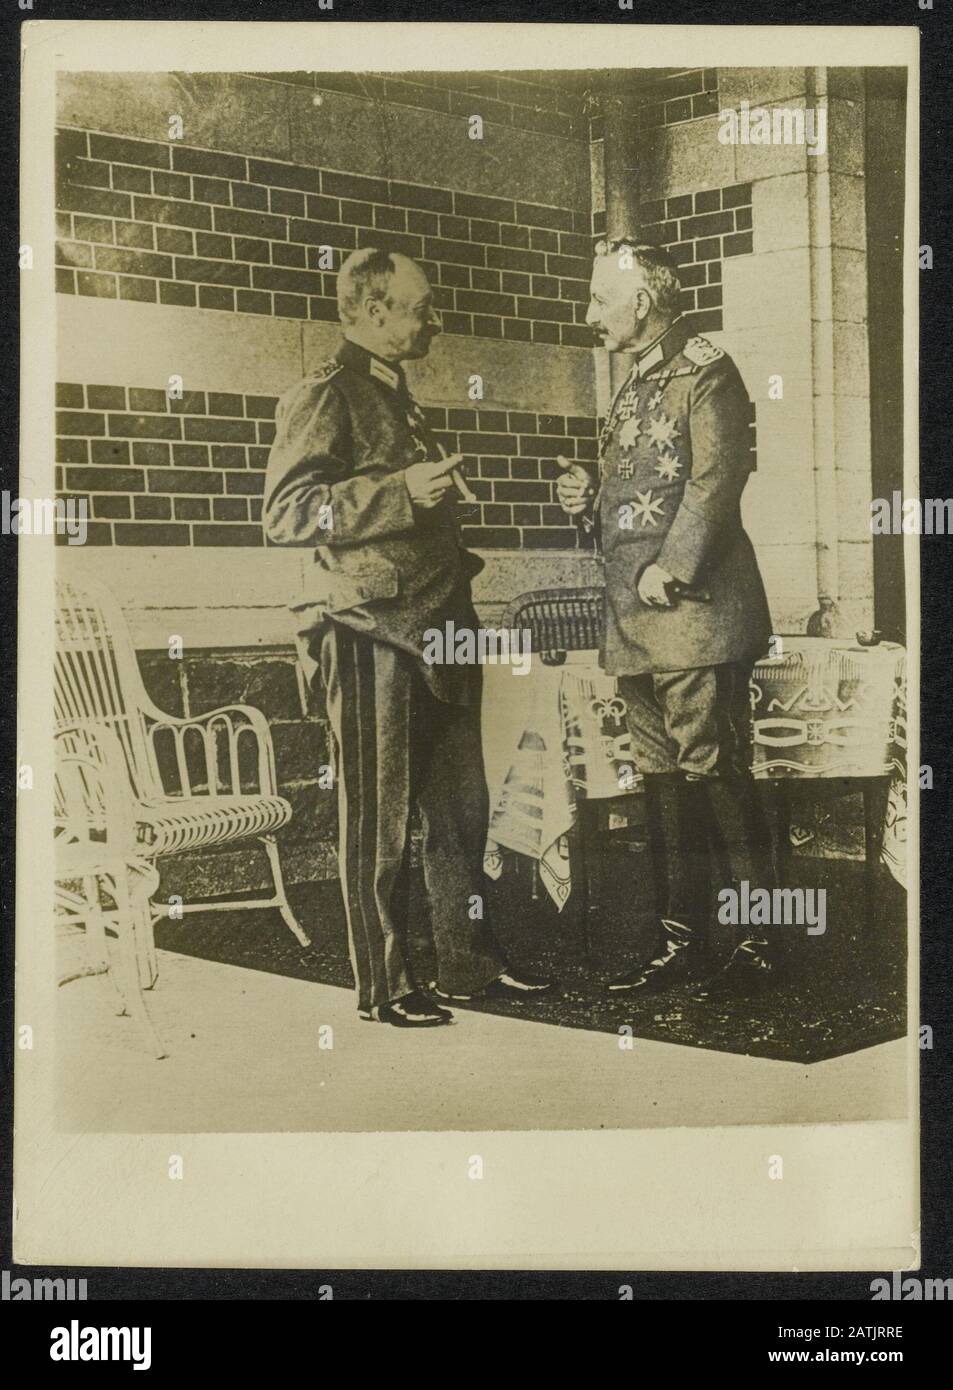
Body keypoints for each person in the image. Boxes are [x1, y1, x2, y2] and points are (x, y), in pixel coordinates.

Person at [263, 247, 552, 1027]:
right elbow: (287, 513)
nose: (434, 320)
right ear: (372, 309)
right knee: (378, 819)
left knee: (459, 812)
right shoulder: (323, 394)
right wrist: (397, 492)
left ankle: (465, 963)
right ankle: (384, 986)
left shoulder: (394, 393)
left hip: (440, 629)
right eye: (422, 307)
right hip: (368, 633)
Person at [557, 239, 778, 1000]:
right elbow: (637, 497)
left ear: (640, 303)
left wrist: (671, 568)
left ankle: (756, 940)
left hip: (692, 612)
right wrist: (586, 499)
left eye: (597, 300)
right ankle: (679, 940)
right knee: (658, 777)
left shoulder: (705, 370)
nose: (589, 314)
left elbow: (717, 479)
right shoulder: (630, 384)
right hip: (632, 618)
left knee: (711, 768)